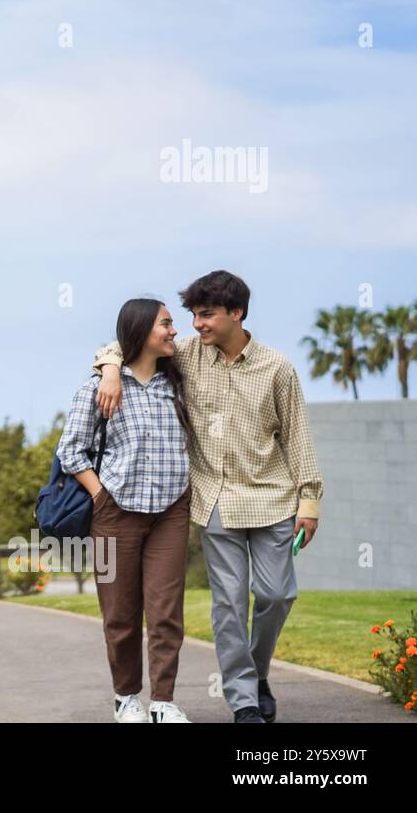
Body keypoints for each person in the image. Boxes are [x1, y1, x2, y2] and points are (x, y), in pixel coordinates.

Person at [93, 270, 323, 723]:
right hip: (214, 501)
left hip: (272, 499)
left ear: (236, 314)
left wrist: (309, 502)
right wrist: (109, 370)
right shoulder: (188, 357)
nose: (195, 324)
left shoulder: (276, 367)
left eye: (206, 315)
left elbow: (298, 437)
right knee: (229, 603)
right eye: (192, 314)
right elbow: (129, 341)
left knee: (277, 596)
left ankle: (256, 673)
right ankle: (244, 702)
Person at [57, 299, 192, 724]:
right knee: (119, 613)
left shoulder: (180, 381)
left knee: (166, 611)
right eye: (165, 324)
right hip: (115, 512)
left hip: (171, 510)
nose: (174, 331)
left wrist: (111, 363)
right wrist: (101, 497)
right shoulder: (96, 388)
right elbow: (70, 450)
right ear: (140, 330)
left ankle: (164, 702)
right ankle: (126, 697)